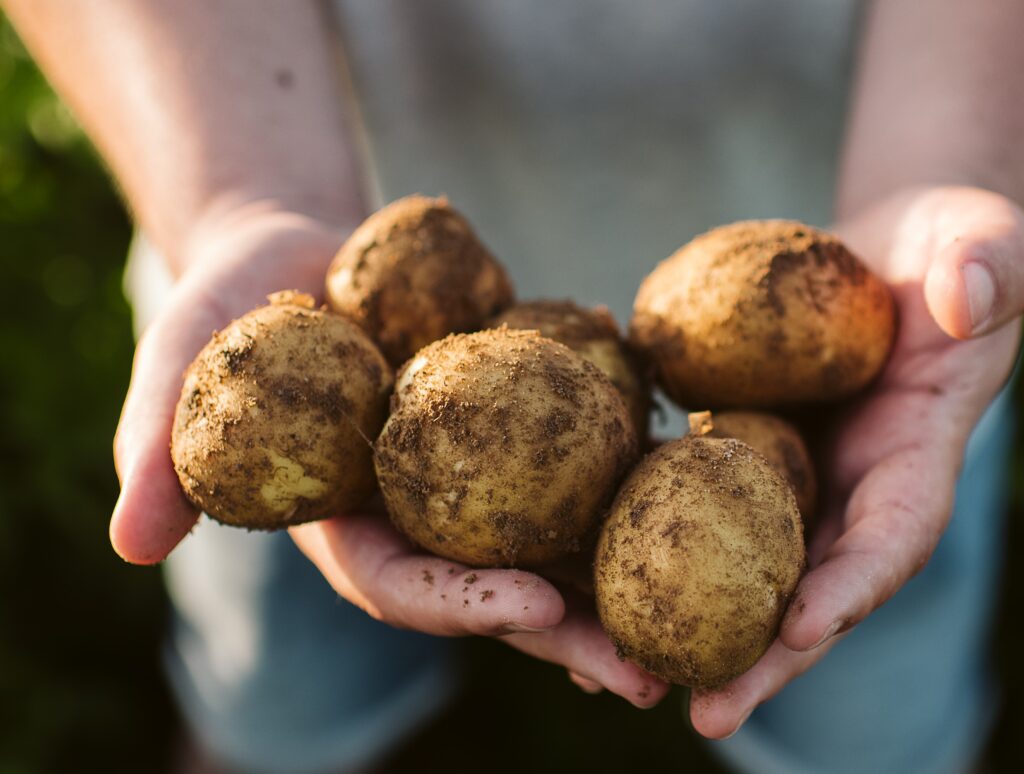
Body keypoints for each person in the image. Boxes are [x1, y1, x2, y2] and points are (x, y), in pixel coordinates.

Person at [6, 1, 1022, 771]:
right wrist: (236, 193)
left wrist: (949, 156)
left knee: (870, 711)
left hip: (873, 302)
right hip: (302, 212)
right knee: (272, 688)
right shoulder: (343, 350)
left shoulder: (772, 400)